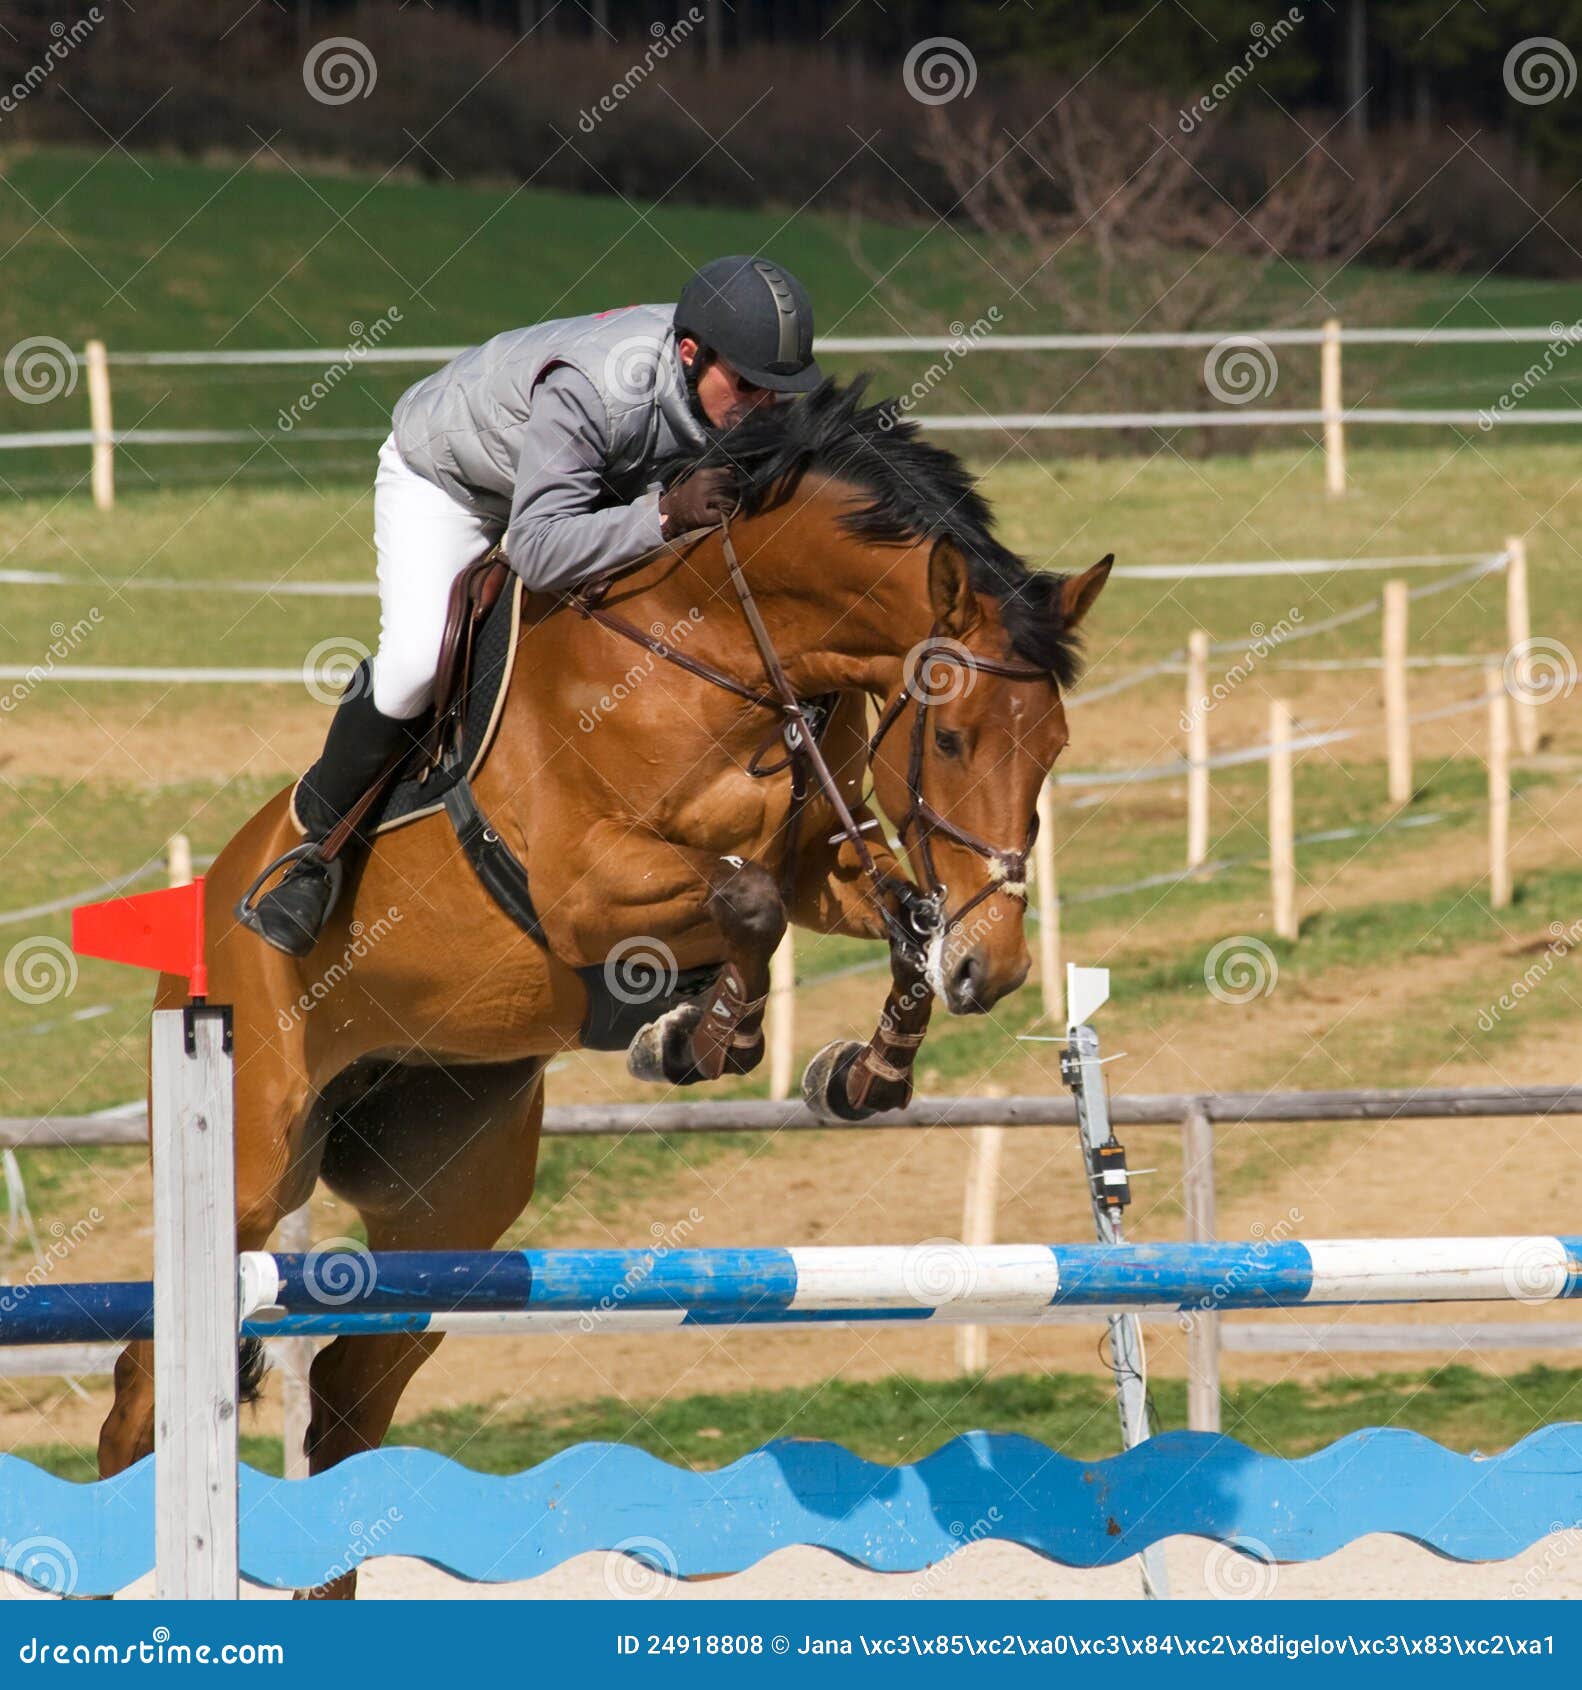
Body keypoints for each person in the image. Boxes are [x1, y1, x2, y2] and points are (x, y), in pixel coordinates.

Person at [245, 256, 822, 956]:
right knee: (416, 662)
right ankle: (316, 849)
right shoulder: (598, 389)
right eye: (750, 386)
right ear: (692, 353)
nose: (764, 406)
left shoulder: (732, 393)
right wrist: (665, 516)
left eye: (778, 392)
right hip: (458, 484)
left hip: (578, 488)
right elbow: (536, 547)